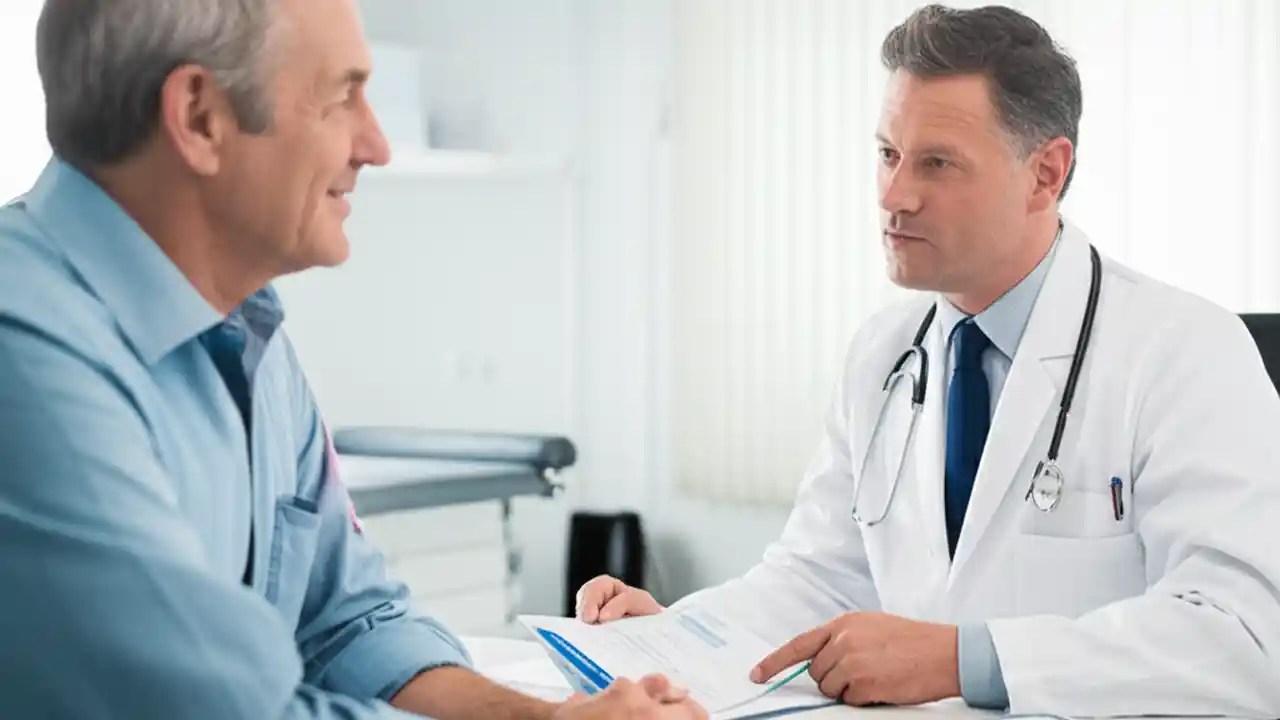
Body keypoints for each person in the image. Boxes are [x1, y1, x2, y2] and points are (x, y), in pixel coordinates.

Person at [0, 1, 706, 718]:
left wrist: (554, 717)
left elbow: (349, 625)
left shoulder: (250, 339)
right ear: (200, 117)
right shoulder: (22, 350)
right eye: (342, 98)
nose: (377, 145)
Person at [576, 4, 1280, 717]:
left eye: (936, 164)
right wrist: (673, 638)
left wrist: (963, 659)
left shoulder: (1185, 351)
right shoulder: (883, 353)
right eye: (888, 154)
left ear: (1045, 173)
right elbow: (815, 580)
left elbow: (1248, 639)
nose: (893, 196)